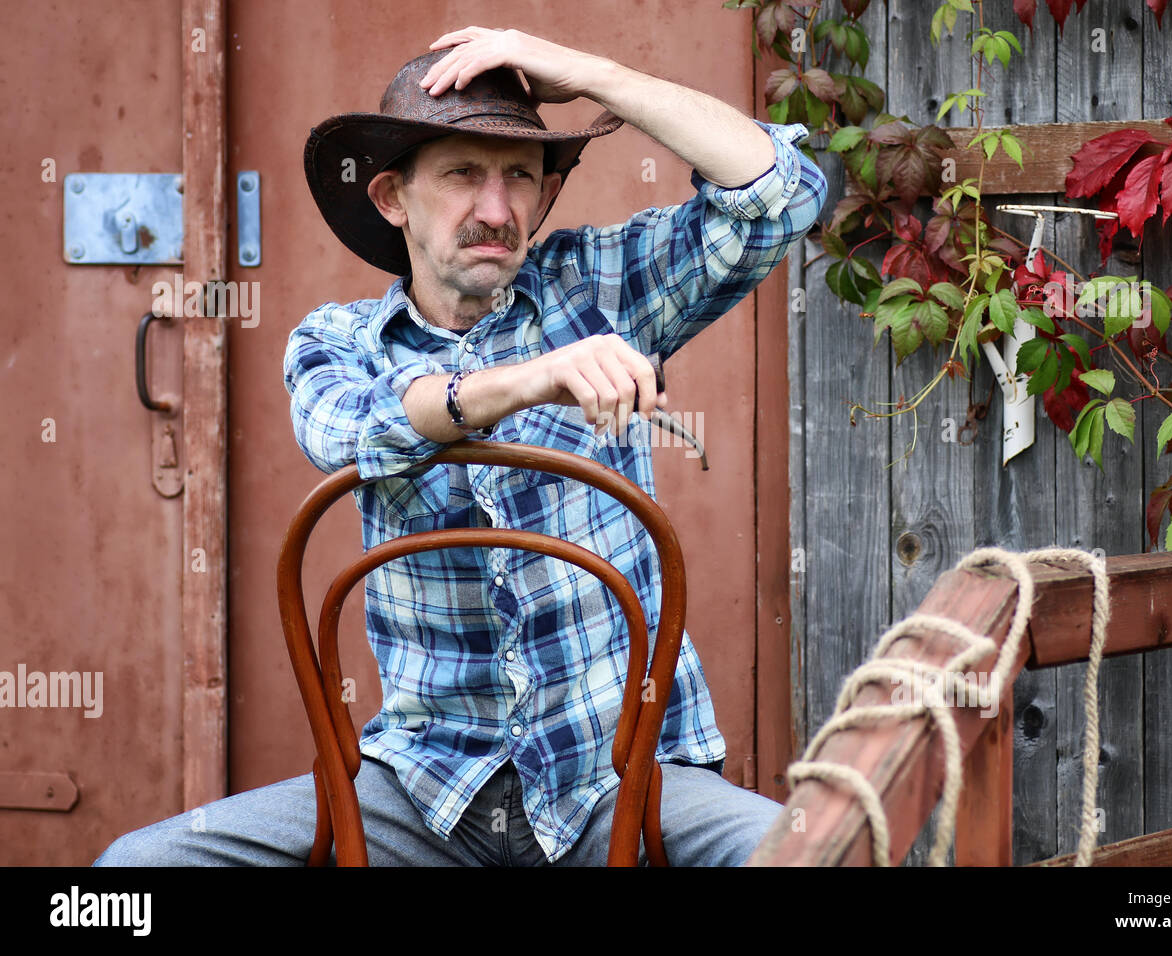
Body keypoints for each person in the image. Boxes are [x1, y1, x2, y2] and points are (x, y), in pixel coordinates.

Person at [95, 25, 826, 867]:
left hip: (624, 779)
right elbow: (346, 431)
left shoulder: (602, 288)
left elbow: (782, 194)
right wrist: (529, 380)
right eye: (462, 175)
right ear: (392, 199)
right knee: (134, 874)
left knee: (812, 853)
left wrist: (589, 75)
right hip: (423, 790)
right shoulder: (338, 341)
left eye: (521, 176)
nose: (496, 208)